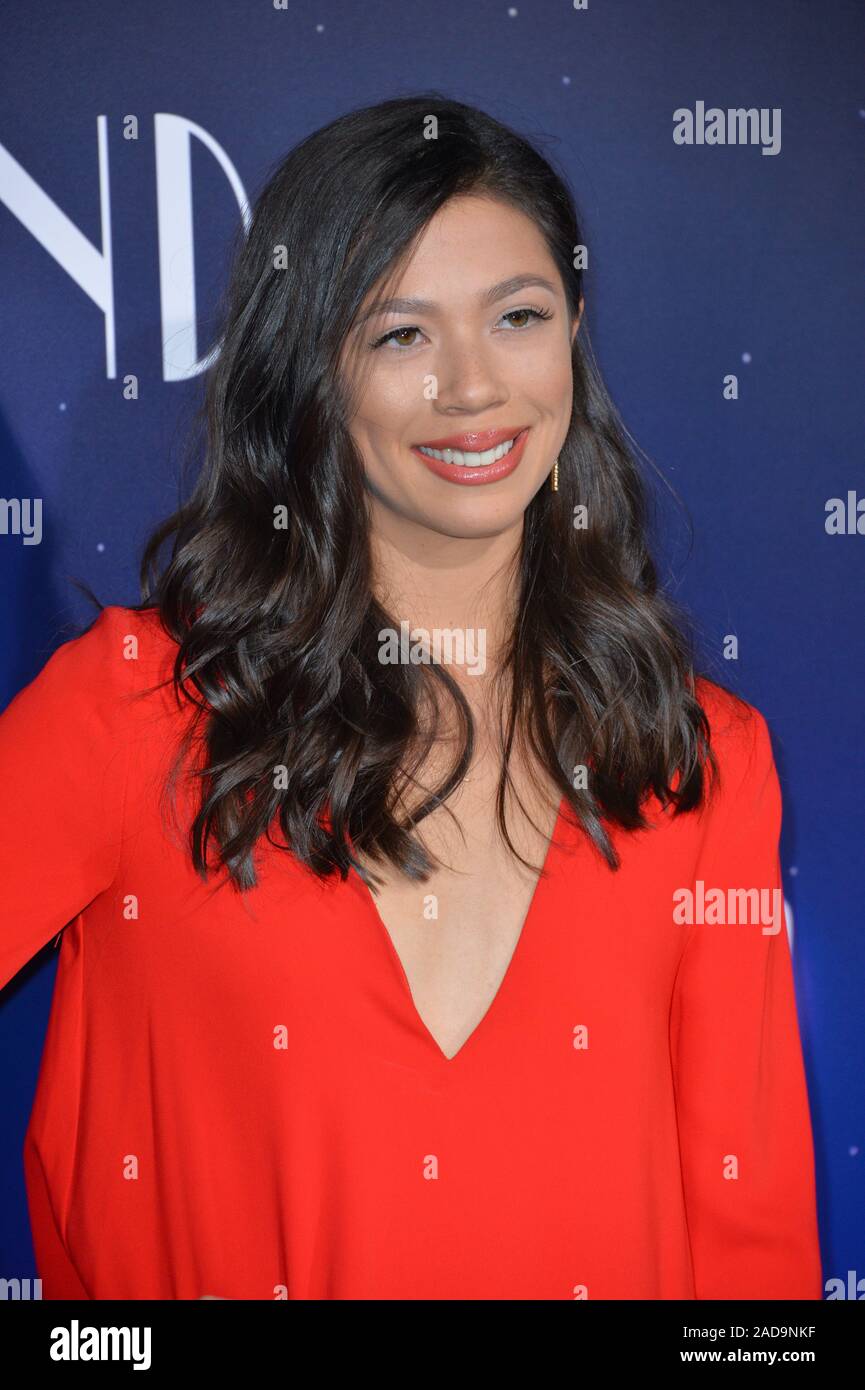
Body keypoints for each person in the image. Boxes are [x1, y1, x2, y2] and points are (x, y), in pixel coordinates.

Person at [0, 93, 822, 1300]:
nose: (473, 387)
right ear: (308, 368)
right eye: (401, 335)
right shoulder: (136, 710)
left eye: (518, 317)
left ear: (573, 333)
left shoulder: (696, 754)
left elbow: (746, 1240)